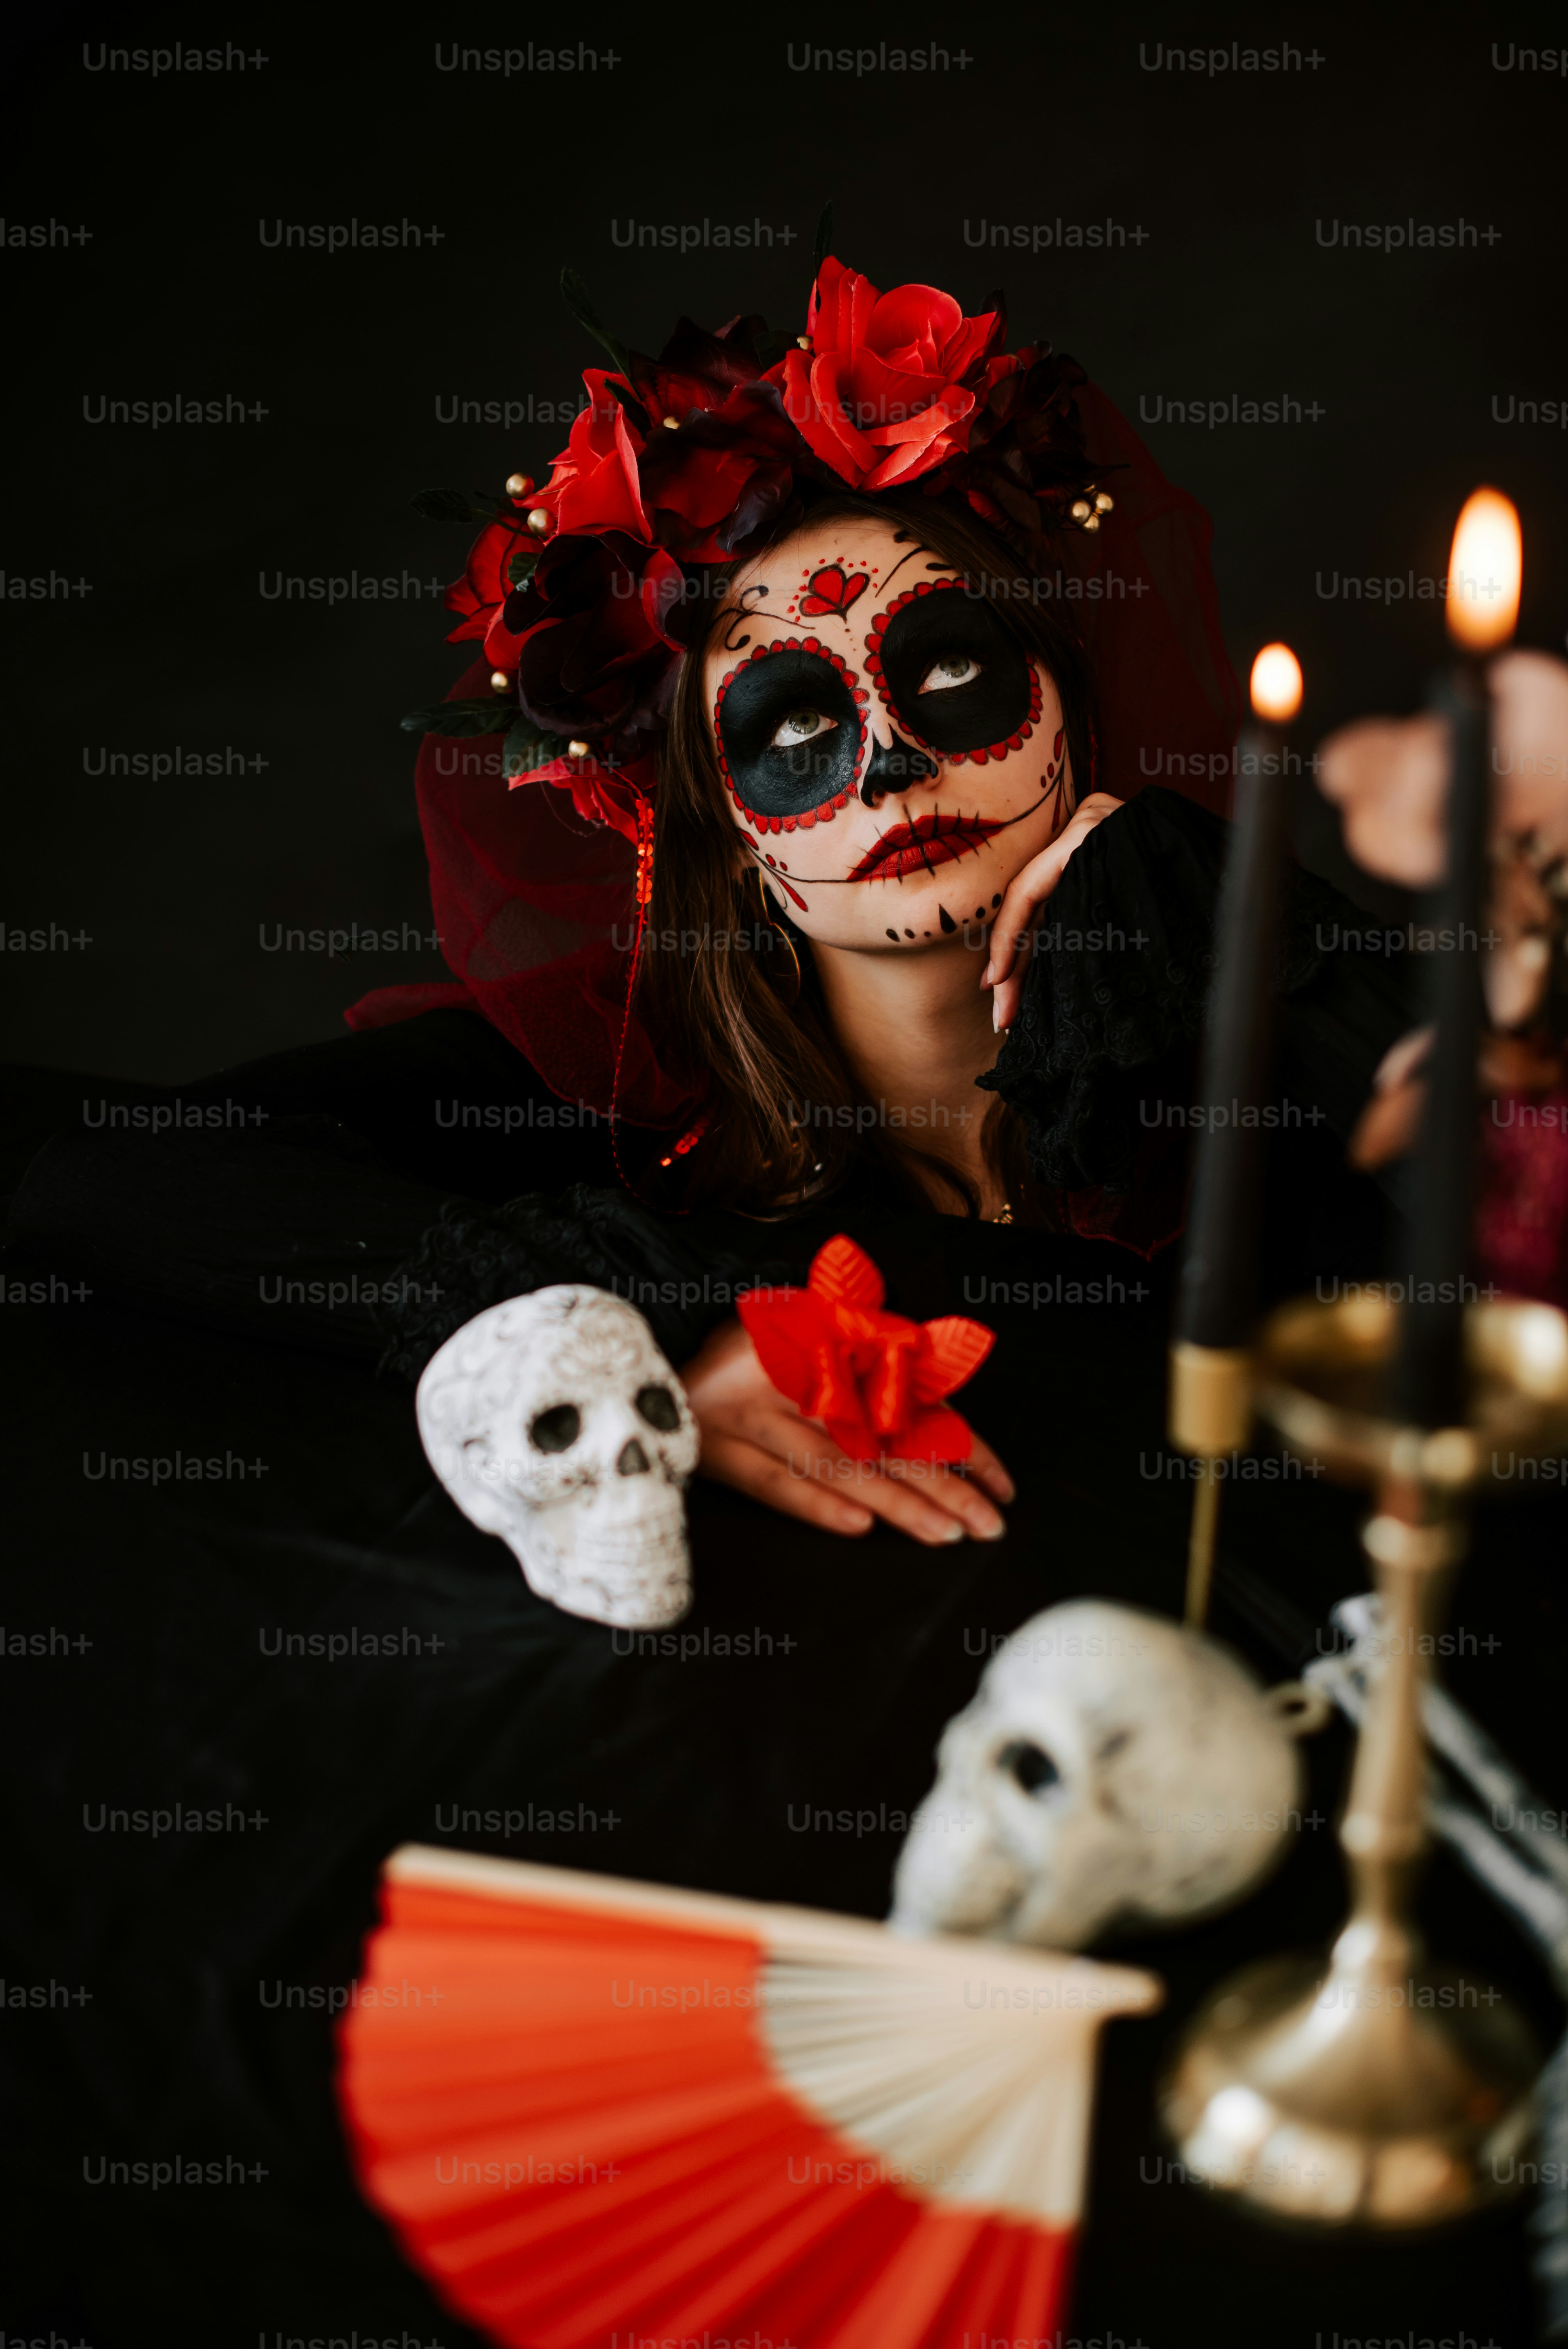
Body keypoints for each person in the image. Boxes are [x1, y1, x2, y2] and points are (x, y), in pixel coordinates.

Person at [6, 249, 1484, 2345]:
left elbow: (1509, 1222)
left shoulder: (1260, 1084)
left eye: (956, 677)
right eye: (790, 731)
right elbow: (97, 1174)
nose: (886, 767)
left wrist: (1279, 954)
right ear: (714, 831)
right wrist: (598, 1319)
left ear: (1073, 705)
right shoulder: (614, 1109)